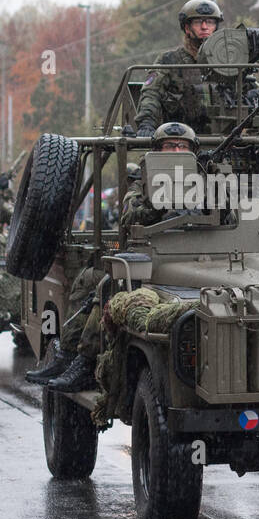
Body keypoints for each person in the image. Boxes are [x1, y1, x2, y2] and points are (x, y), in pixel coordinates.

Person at [36, 124, 199, 393]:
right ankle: (67, 354)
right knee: (91, 279)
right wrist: (161, 203)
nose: (177, 151)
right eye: (170, 146)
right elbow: (129, 216)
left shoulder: (206, 181)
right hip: (149, 262)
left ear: (193, 152)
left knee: (108, 289)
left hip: (189, 263)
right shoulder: (143, 184)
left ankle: (86, 361)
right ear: (157, 152)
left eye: (182, 146)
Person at [134, 0, 224, 137]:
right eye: (198, 22)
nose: (205, 27)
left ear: (216, 27)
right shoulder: (169, 61)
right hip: (180, 139)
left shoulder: (228, 63)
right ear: (187, 28)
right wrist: (147, 123)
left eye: (210, 22)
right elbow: (151, 94)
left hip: (226, 140)